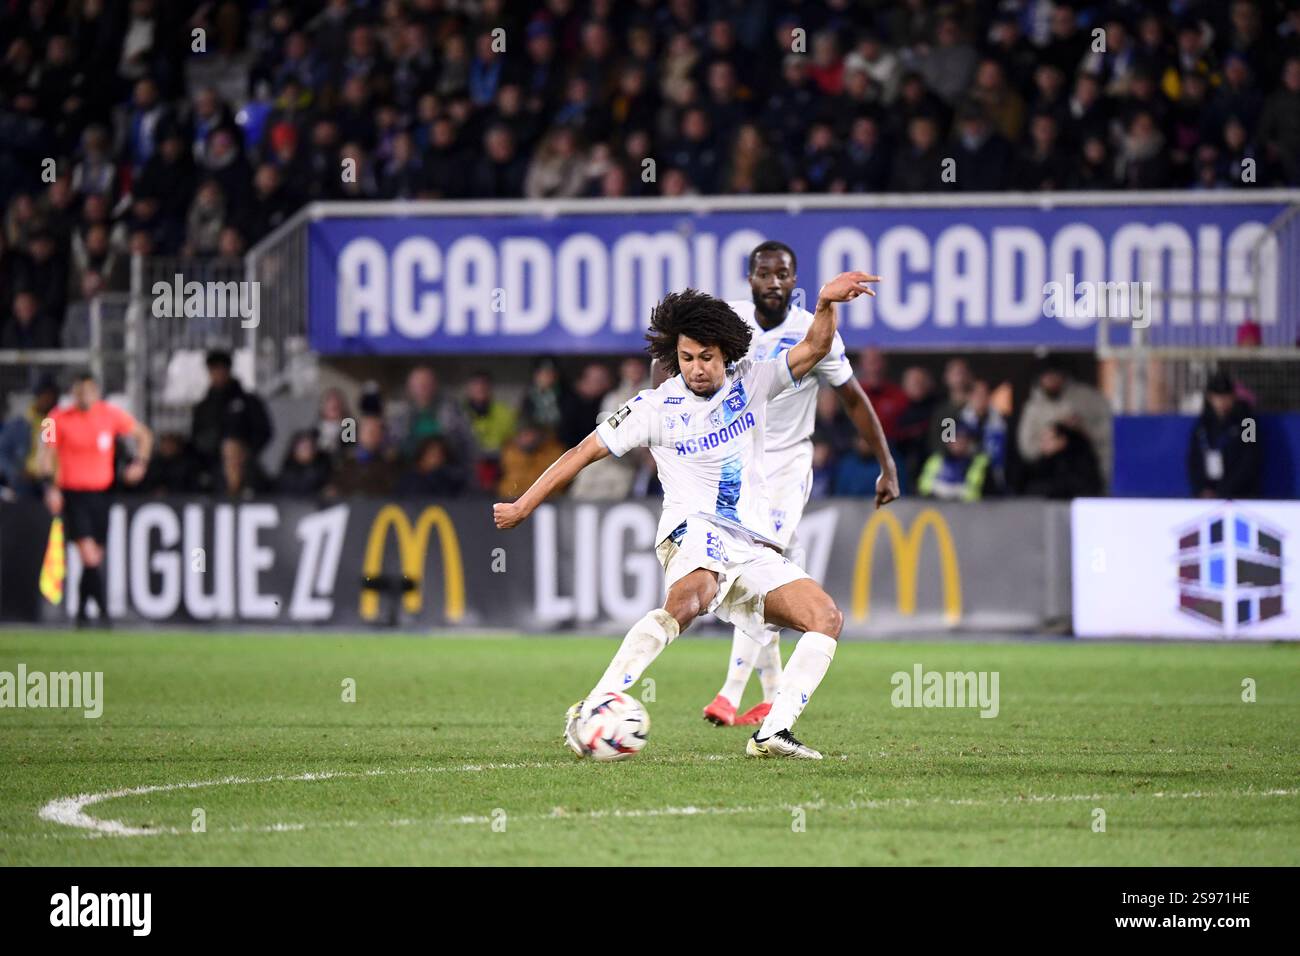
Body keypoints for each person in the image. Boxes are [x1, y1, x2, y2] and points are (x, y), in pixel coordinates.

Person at [494, 272, 881, 760]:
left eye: (706, 357)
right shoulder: (654, 407)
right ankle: (596, 703)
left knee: (825, 617)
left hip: (750, 545)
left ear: (725, 353)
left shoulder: (754, 381)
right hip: (691, 531)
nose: (696, 368)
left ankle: (772, 733)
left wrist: (825, 303)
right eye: (686, 358)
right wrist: (524, 504)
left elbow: (814, 349)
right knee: (690, 600)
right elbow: (581, 452)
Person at [702, 241, 899, 728]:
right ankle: (770, 695)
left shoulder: (812, 333)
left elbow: (854, 400)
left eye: (783, 274)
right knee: (758, 575)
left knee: (761, 566)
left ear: (795, 280)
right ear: (750, 279)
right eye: (764, 274)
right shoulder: (728, 324)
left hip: (788, 467)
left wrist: (887, 464)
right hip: (739, 463)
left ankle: (730, 694)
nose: (774, 282)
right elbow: (674, 354)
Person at [38, 374, 153, 627]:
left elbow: (144, 434)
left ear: (97, 392)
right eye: (80, 391)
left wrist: (140, 463)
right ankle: (104, 615)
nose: (85, 396)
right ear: (73, 393)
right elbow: (44, 455)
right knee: (89, 556)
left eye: (90, 391)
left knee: (95, 558)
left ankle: (81, 613)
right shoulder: (55, 418)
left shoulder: (110, 415)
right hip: (73, 494)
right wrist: (49, 488)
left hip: (102, 494)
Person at [190, 350, 272, 482]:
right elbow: (196, 437)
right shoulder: (204, 407)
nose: (218, 374)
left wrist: (245, 451)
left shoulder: (248, 402)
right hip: (214, 469)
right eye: (214, 370)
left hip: (247, 467)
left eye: (221, 369)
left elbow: (264, 431)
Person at [1187, 373, 1262, 499]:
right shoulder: (1203, 425)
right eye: (1218, 397)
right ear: (1210, 398)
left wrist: (1226, 489)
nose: (1222, 401)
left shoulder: (1248, 422)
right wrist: (1202, 488)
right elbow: (1193, 460)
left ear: (1233, 397)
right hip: (1208, 495)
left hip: (1240, 495)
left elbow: (1250, 459)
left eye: (1226, 396)